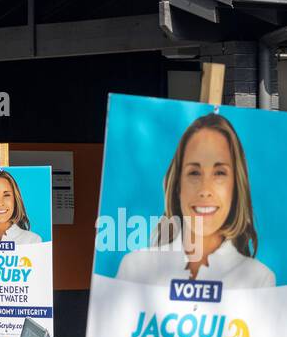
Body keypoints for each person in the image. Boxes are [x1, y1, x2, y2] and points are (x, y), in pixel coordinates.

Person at [116, 112, 275, 288]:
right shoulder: (134, 270)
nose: (205, 190)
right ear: (177, 187)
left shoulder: (260, 281)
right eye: (194, 173)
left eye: (219, 173)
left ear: (236, 187)